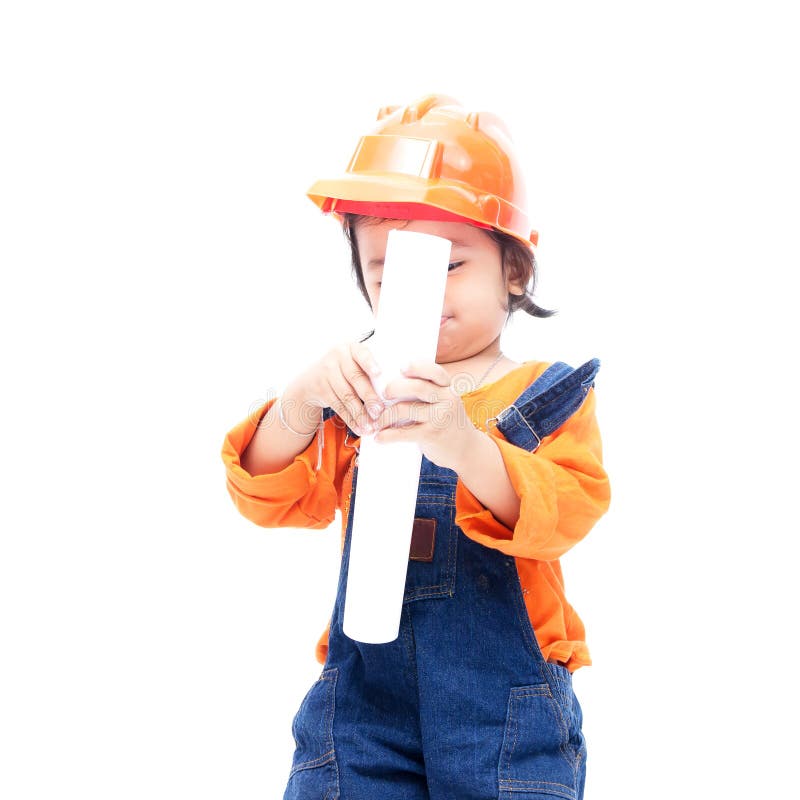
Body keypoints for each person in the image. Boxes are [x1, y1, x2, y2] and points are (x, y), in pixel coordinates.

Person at [221, 94, 611, 800]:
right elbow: (264, 490)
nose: (418, 290)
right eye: (385, 270)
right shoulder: (359, 392)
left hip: (503, 712)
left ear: (514, 270)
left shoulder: (543, 395)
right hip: (363, 708)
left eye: (449, 264)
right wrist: (301, 399)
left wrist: (462, 442)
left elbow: (568, 511)